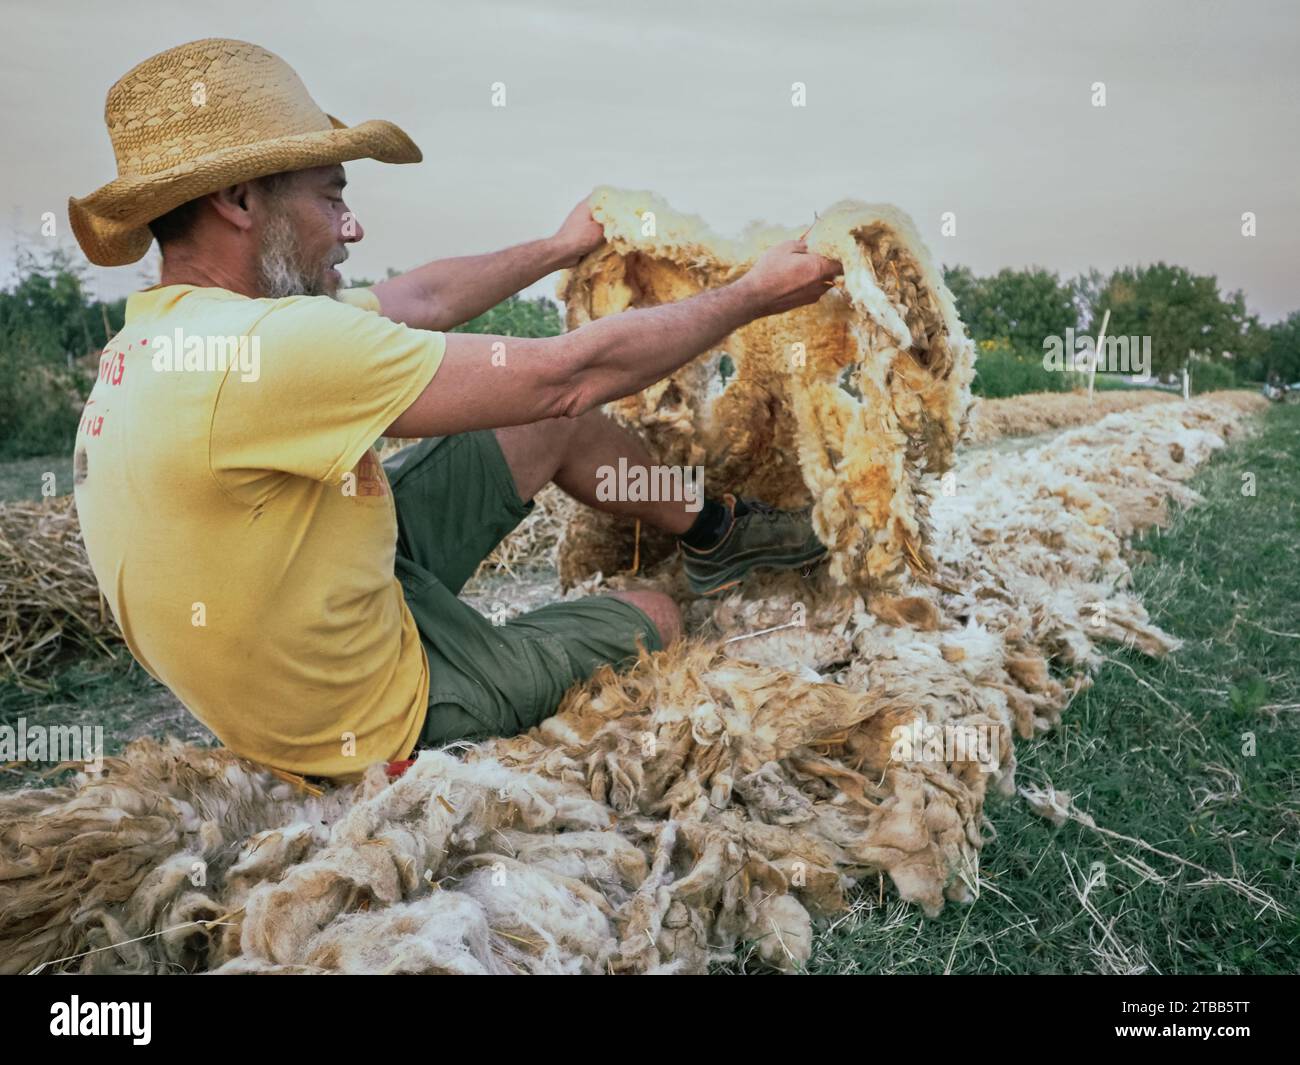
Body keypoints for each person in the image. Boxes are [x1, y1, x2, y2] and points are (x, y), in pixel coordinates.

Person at [69, 38, 842, 779]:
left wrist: (555, 248)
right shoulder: (268, 349)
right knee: (654, 615)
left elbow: (422, 297)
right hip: (367, 715)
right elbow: (567, 375)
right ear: (238, 200)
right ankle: (507, 665)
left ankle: (716, 533)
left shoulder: (171, 336)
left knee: (547, 425)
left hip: (311, 610)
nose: (353, 228)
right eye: (333, 198)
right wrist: (751, 295)